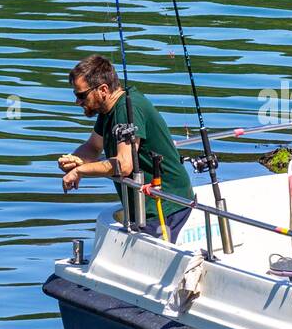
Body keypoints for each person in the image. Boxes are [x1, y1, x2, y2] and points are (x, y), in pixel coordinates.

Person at [57, 54, 195, 242]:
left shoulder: (127, 108)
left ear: (103, 89)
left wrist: (81, 171)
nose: (77, 102)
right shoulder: (107, 110)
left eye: (81, 95)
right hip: (143, 206)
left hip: (166, 205)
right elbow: (92, 147)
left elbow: (124, 165)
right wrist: (74, 160)